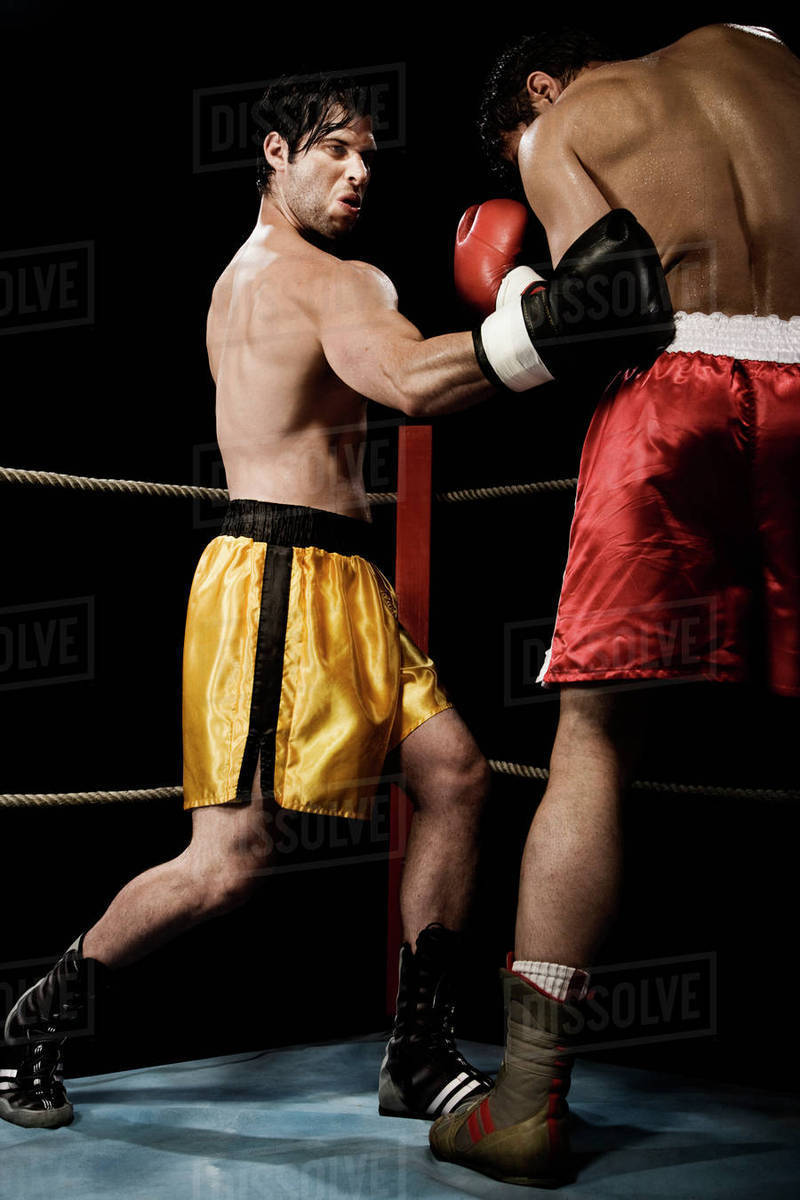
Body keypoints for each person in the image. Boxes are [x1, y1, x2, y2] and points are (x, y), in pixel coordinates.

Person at [0, 75, 508, 1131]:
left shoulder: (247, 275)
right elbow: (412, 383)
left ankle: (416, 1052)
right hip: (279, 580)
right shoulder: (321, 279)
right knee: (227, 864)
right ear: (274, 151)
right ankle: (31, 1026)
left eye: (370, 155)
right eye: (334, 150)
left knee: (454, 776)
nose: (360, 171)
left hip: (335, 578)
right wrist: (541, 331)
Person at [431, 23, 800, 1187]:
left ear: (537, 86)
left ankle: (528, 1104)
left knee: (591, 742)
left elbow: (620, 302)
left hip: (676, 394)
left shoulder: (566, 121)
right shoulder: (777, 65)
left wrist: (519, 297)